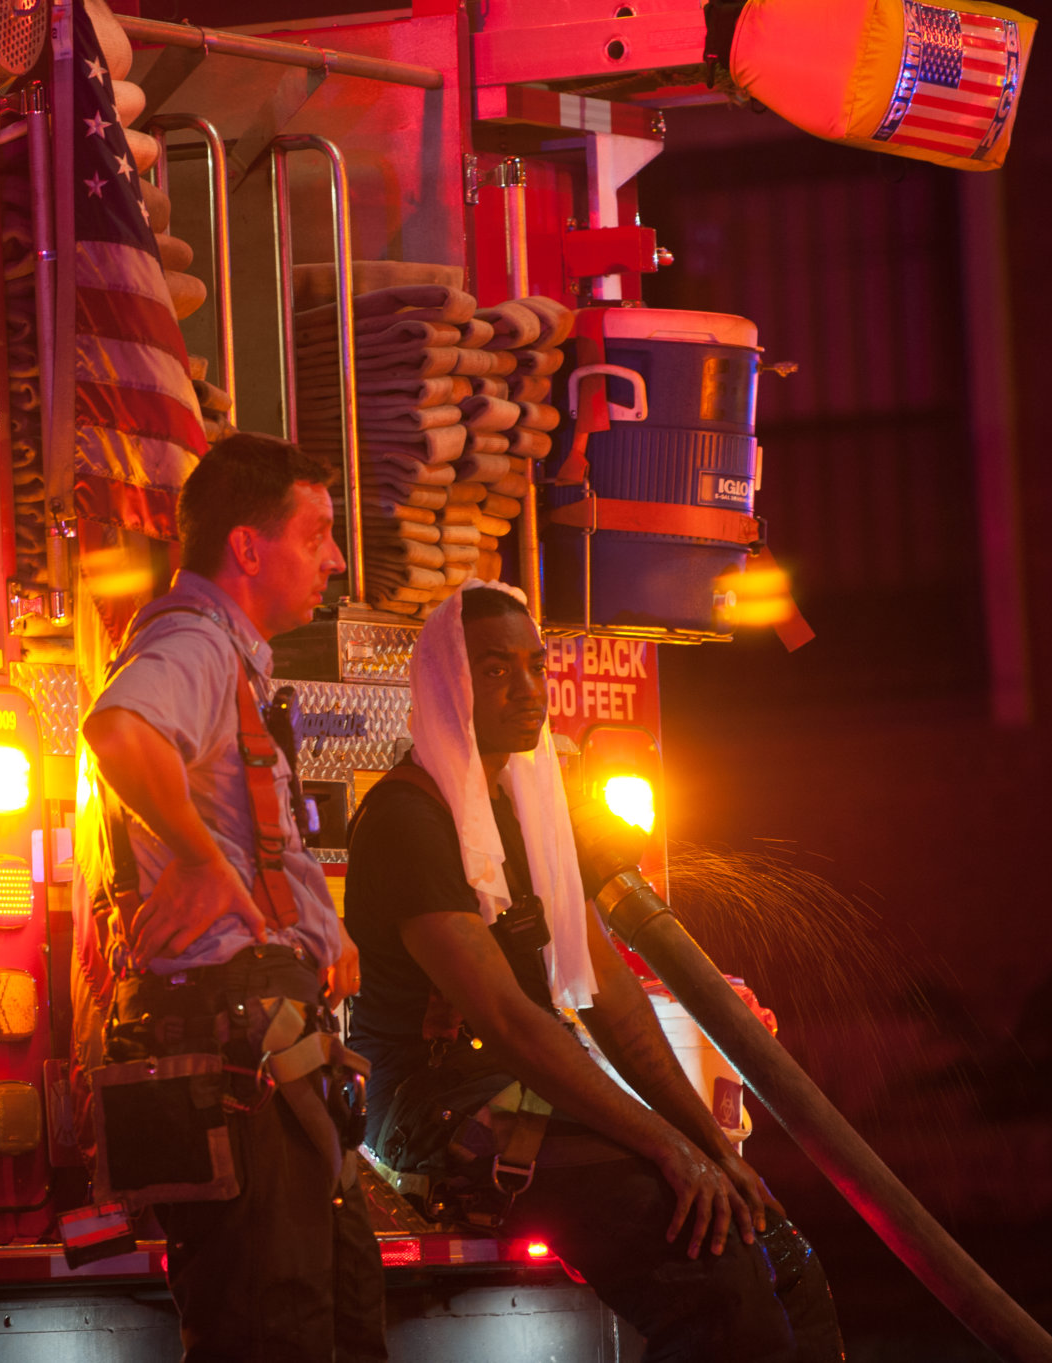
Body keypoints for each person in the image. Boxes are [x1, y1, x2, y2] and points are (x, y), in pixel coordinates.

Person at [344, 582, 843, 1362]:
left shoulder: (530, 814)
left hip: (521, 1090)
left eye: (535, 666)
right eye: (496, 670)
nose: (528, 689)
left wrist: (706, 1142)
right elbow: (508, 1019)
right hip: (429, 1109)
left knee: (781, 1255)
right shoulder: (408, 821)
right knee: (712, 1276)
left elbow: (610, 994)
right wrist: (668, 1148)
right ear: (447, 685)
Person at [77, 432, 385, 1362]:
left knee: (334, 1321)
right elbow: (119, 729)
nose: (336, 559)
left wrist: (321, 930)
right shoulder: (194, 642)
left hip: (270, 1048)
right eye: (316, 533)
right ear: (247, 548)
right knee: (271, 1332)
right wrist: (202, 857)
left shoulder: (227, 655)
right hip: (241, 1049)